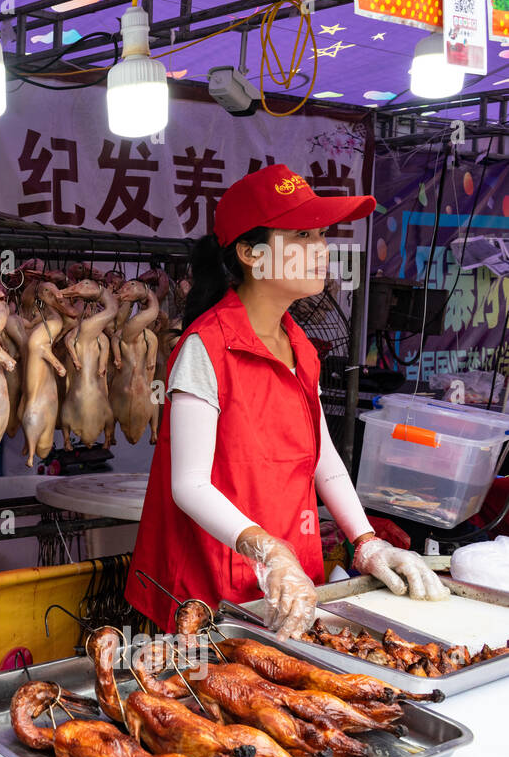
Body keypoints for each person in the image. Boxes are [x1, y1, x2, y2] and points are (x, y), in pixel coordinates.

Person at [125, 165, 449, 640]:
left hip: (288, 580)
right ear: (251, 254)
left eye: (321, 236)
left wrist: (366, 544)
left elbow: (324, 459)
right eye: (301, 236)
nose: (320, 250)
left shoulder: (301, 347)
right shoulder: (206, 347)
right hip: (208, 590)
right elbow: (189, 485)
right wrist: (269, 551)